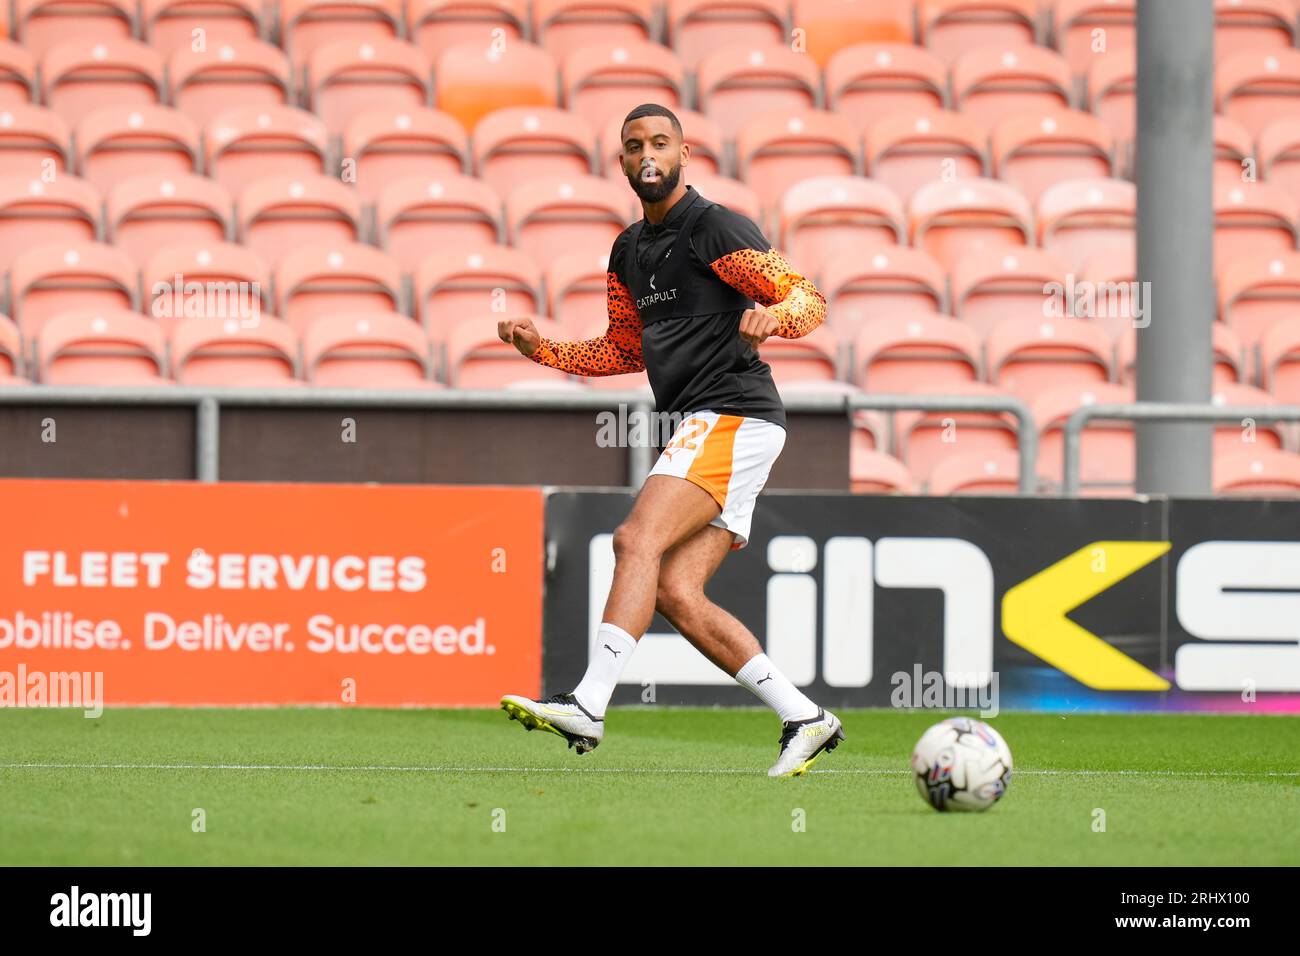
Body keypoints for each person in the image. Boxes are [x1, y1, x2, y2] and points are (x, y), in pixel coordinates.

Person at [498, 103, 844, 777]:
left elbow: (807, 297)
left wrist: (776, 318)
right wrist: (546, 350)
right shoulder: (628, 250)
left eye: (660, 142)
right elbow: (624, 349)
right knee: (678, 593)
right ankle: (805, 717)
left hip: (732, 414)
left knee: (635, 541)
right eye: (635, 145)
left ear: (684, 153)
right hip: (720, 422)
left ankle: (590, 704)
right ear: (622, 160)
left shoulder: (713, 227)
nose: (647, 153)